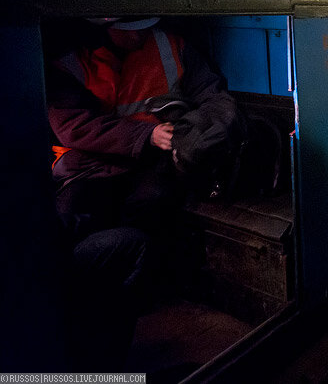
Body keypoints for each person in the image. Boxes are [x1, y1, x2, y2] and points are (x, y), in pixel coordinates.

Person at [46, 16, 244, 242]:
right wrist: (147, 135)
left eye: (143, 27)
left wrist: (201, 131)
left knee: (153, 201)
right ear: (102, 28)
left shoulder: (171, 45)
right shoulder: (71, 63)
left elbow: (212, 95)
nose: (137, 35)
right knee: (69, 219)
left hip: (150, 164)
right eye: (126, 29)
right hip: (89, 167)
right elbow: (74, 125)